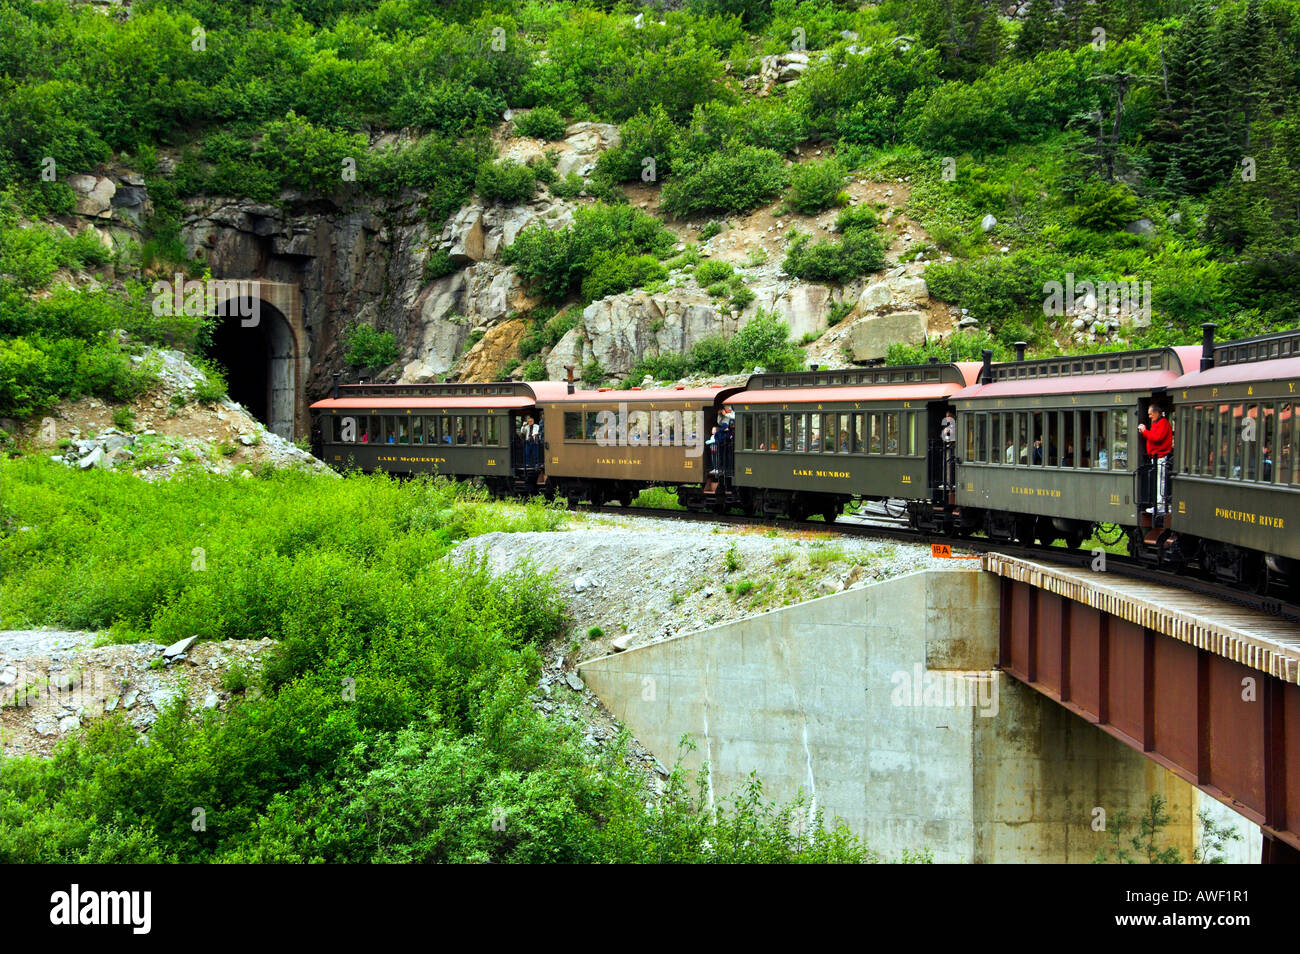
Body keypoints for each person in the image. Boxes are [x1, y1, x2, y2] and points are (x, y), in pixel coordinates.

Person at [1137, 403, 1173, 514]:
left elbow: (1156, 438)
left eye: (1150, 414)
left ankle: (1160, 505)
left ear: (1157, 413)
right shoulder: (1157, 423)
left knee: (1160, 482)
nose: (1149, 416)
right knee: (1159, 481)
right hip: (1157, 457)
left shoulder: (1162, 423)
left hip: (1161, 457)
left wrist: (1144, 431)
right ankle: (1159, 505)